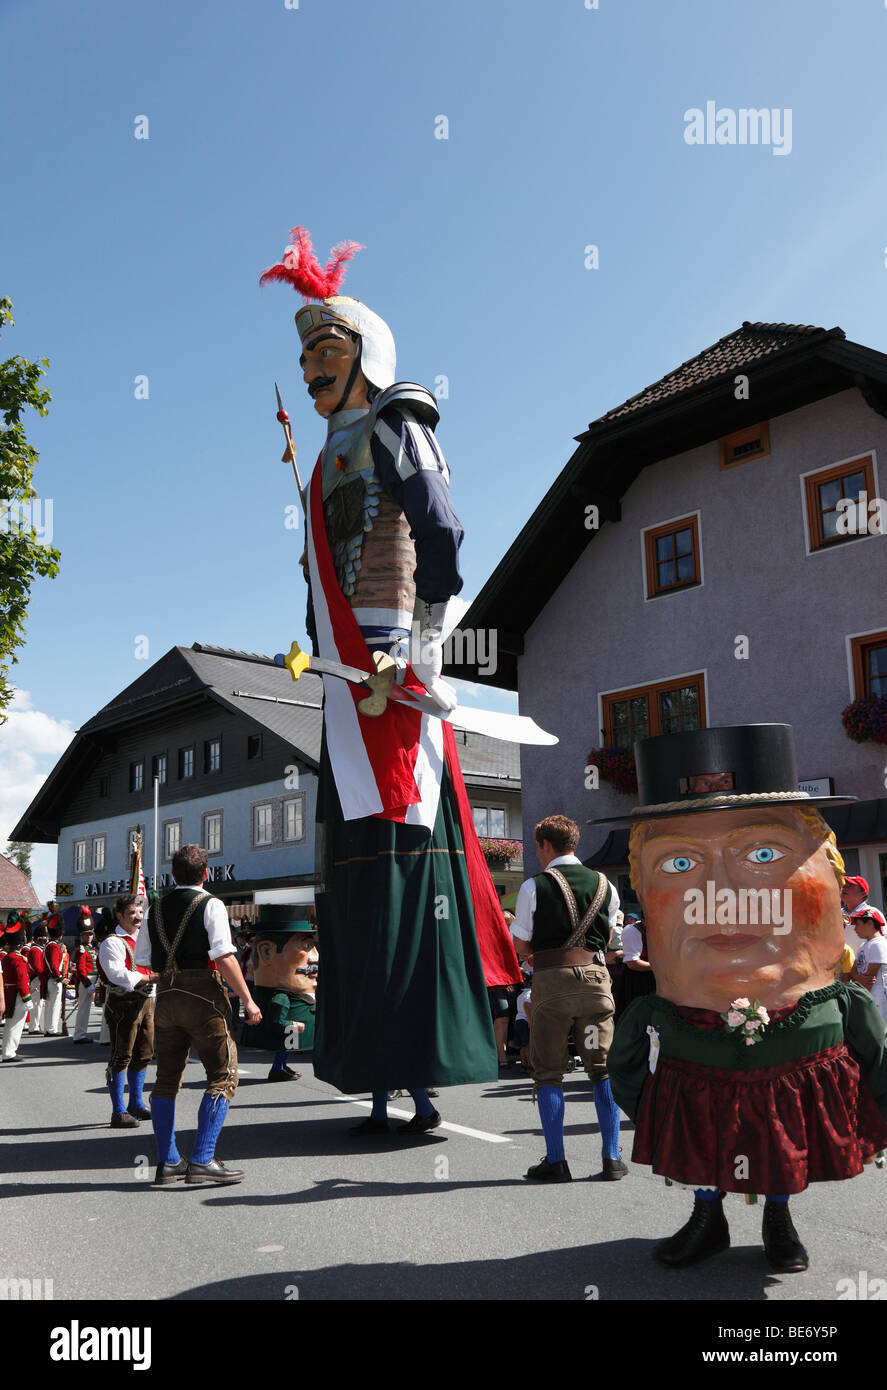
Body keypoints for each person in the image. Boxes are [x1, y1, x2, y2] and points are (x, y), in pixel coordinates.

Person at [260, 226, 521, 1134]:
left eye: (324, 351)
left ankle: (414, 1073)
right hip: (341, 676)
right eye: (302, 356)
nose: (309, 369)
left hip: (390, 665)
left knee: (411, 865)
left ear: (366, 354)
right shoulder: (329, 453)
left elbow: (441, 533)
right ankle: (372, 1073)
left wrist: (422, 644)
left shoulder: (396, 420)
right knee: (359, 877)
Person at [605, 724, 887, 1273]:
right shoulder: (655, 1015)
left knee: (784, 1136)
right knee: (703, 1132)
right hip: (695, 1070)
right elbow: (627, 1069)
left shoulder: (845, 1009)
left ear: (830, 878)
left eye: (763, 852)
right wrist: (657, 1112)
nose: (724, 895)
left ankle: (778, 1218)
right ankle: (706, 1216)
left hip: (794, 1061)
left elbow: (875, 1060)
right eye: (680, 864)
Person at [135, 844, 261, 1186]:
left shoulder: (154, 909)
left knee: (165, 1080)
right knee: (223, 1076)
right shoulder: (211, 904)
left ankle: (169, 1161)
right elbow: (223, 955)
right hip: (203, 994)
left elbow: (143, 959)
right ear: (205, 873)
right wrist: (248, 1000)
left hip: (168, 995)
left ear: (174, 874)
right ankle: (203, 1158)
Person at [510, 814, 624, 1182]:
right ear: (573, 844)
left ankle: (557, 1161)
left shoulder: (534, 886)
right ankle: (612, 1158)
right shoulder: (606, 884)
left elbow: (520, 942)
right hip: (594, 982)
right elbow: (607, 941)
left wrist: (540, 953)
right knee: (601, 1068)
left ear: (545, 845)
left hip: (553, 984)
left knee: (549, 1073)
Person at [97, 895, 156, 1127]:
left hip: (146, 1001)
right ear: (120, 916)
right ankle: (118, 1111)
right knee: (121, 1056)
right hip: (123, 1004)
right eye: (132, 913)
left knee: (144, 1054)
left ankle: (136, 1103)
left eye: (140, 913)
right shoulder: (112, 942)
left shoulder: (144, 939)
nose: (138, 917)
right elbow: (117, 974)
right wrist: (149, 977)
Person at [241, 905, 316, 1080]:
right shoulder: (280, 999)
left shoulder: (290, 996)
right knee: (284, 1046)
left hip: (290, 1031)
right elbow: (274, 1023)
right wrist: (292, 1025)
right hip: (286, 1027)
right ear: (266, 952)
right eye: (307, 946)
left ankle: (280, 1067)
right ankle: (277, 1069)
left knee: (286, 1047)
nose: (315, 956)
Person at [1, 918, 36, 1061]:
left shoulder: (7, 957)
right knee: (15, 1024)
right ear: (21, 944)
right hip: (17, 994)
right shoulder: (18, 959)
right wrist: (27, 998)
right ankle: (9, 1052)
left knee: (11, 1023)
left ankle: (8, 1051)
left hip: (11, 992)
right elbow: (21, 981)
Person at [850, 911, 887, 1026]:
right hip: (866, 995)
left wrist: (860, 999)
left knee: (878, 1030)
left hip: (877, 997)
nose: (855, 929)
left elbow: (870, 978)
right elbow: (853, 970)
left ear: (870, 923)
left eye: (858, 924)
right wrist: (858, 977)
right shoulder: (863, 945)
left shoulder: (878, 944)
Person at [69, 908, 99, 1043]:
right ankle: (79, 1035)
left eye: (91, 934)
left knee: (85, 1009)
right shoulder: (81, 950)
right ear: (81, 936)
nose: (89, 937)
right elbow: (81, 970)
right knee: (83, 1009)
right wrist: (88, 984)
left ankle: (82, 1034)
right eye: (86, 935)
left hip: (92, 981)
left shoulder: (91, 948)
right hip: (86, 981)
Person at [43, 908, 69, 1036]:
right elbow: (54, 965)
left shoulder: (49, 944)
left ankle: (49, 1028)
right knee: (54, 1005)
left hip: (51, 979)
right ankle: (52, 1029)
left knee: (50, 1005)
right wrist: (60, 978)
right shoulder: (53, 946)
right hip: (54, 980)